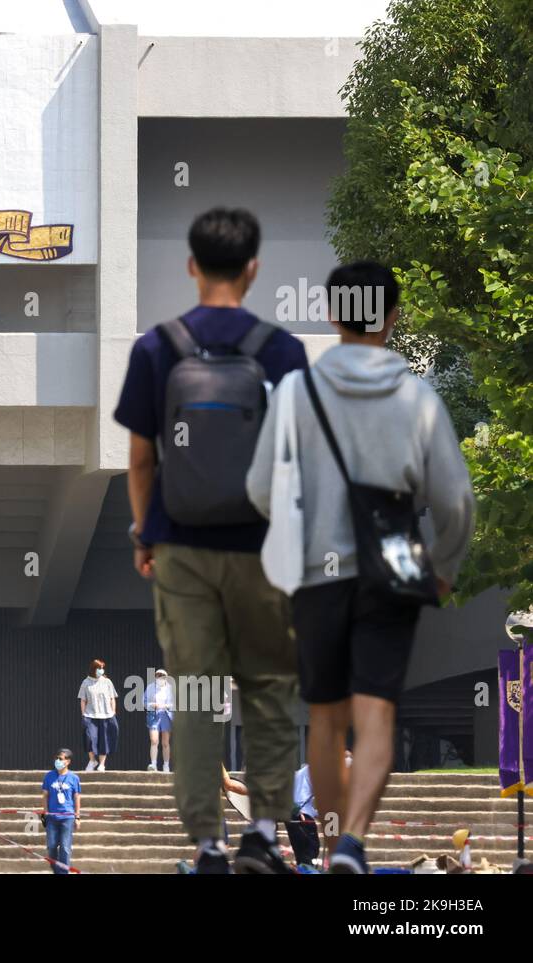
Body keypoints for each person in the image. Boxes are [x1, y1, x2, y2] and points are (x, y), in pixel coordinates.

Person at [247, 261, 474, 873]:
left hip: (318, 577)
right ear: (393, 318)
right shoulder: (417, 396)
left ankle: (327, 845)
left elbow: (261, 489)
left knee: (324, 719)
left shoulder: (295, 392)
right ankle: (352, 844)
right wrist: (445, 567)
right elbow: (457, 501)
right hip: (392, 567)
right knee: (375, 714)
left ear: (330, 313)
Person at [114, 208, 309, 874]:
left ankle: (206, 842)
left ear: (191, 266)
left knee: (196, 692)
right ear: (253, 269)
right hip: (262, 544)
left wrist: (147, 533)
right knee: (270, 686)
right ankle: (261, 828)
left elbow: (141, 459)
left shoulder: (156, 347)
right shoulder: (282, 351)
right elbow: (298, 457)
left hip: (182, 546)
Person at [41, 748, 81, 874]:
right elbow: (45, 796)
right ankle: (56, 870)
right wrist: (45, 813)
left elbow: (76, 797)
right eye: (57, 758)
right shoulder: (49, 776)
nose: (57, 761)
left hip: (67, 817)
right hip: (52, 817)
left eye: (61, 759)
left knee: (65, 847)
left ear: (68, 761)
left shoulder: (74, 778)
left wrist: (77, 816)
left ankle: (63, 872)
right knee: (52, 846)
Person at [78, 659, 119, 771]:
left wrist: (113, 711)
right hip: (90, 715)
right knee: (89, 738)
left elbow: (112, 698)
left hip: (106, 715)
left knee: (104, 740)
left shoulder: (107, 682)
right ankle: (92, 760)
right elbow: (83, 700)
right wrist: (84, 715)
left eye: (102, 668)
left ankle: (102, 764)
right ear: (93, 669)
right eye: (99, 668)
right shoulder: (86, 682)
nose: (101, 670)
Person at [143, 669, 175, 772]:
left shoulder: (170, 689)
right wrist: (152, 705)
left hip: (166, 715)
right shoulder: (150, 687)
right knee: (154, 740)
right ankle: (153, 764)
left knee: (165, 742)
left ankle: (166, 765)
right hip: (153, 715)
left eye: (162, 675)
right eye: (158, 675)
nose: (160, 677)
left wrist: (165, 706)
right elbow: (144, 702)